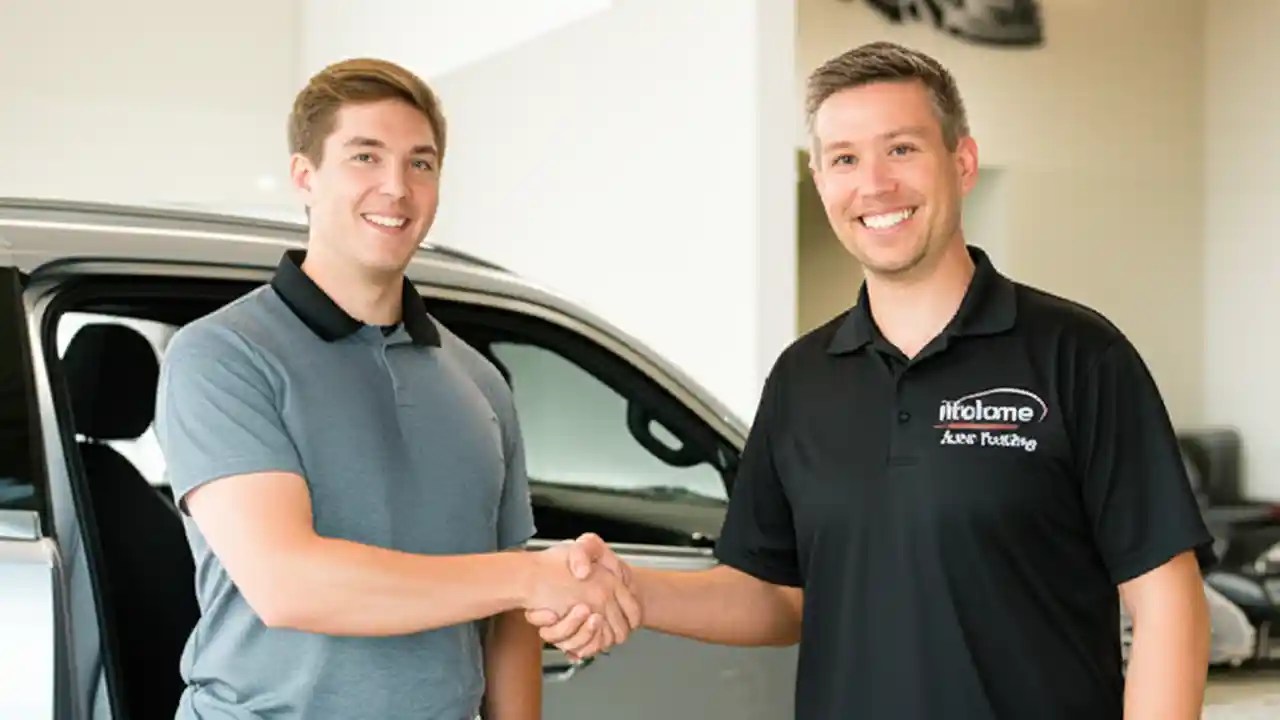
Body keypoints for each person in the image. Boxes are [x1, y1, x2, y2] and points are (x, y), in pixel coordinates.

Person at [529, 41, 1214, 719]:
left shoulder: (1077, 355)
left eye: (903, 149)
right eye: (846, 159)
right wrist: (631, 590)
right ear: (822, 181)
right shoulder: (801, 379)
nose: (875, 185)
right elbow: (775, 595)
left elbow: (1165, 599)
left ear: (963, 161)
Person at [154, 57, 636, 720]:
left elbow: (508, 623)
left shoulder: (479, 383)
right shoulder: (222, 355)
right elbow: (290, 584)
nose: (397, 188)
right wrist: (532, 578)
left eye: (421, 163)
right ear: (305, 176)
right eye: (364, 156)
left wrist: (534, 586)